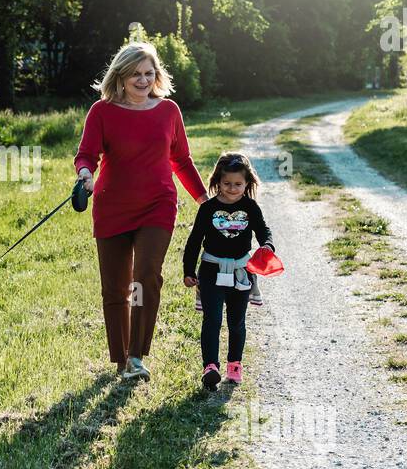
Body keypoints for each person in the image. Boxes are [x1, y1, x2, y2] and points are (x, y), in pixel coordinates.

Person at [74, 42, 207, 381]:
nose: (143, 80)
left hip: (157, 204)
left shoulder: (168, 111)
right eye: (136, 73)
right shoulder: (102, 112)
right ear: (121, 75)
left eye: (149, 73)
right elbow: (87, 154)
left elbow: (181, 159)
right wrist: (85, 175)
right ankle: (119, 360)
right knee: (115, 287)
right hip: (112, 205)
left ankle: (136, 357)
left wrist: (204, 201)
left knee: (146, 276)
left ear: (157, 75)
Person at [182, 152, 275, 391]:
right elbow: (194, 241)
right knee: (212, 319)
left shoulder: (250, 208)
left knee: (237, 322)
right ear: (217, 182)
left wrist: (267, 245)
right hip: (211, 271)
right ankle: (210, 367)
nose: (232, 189)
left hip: (240, 272)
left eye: (238, 184)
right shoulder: (208, 209)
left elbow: (263, 230)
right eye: (227, 184)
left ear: (247, 184)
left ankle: (234, 365)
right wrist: (188, 270)